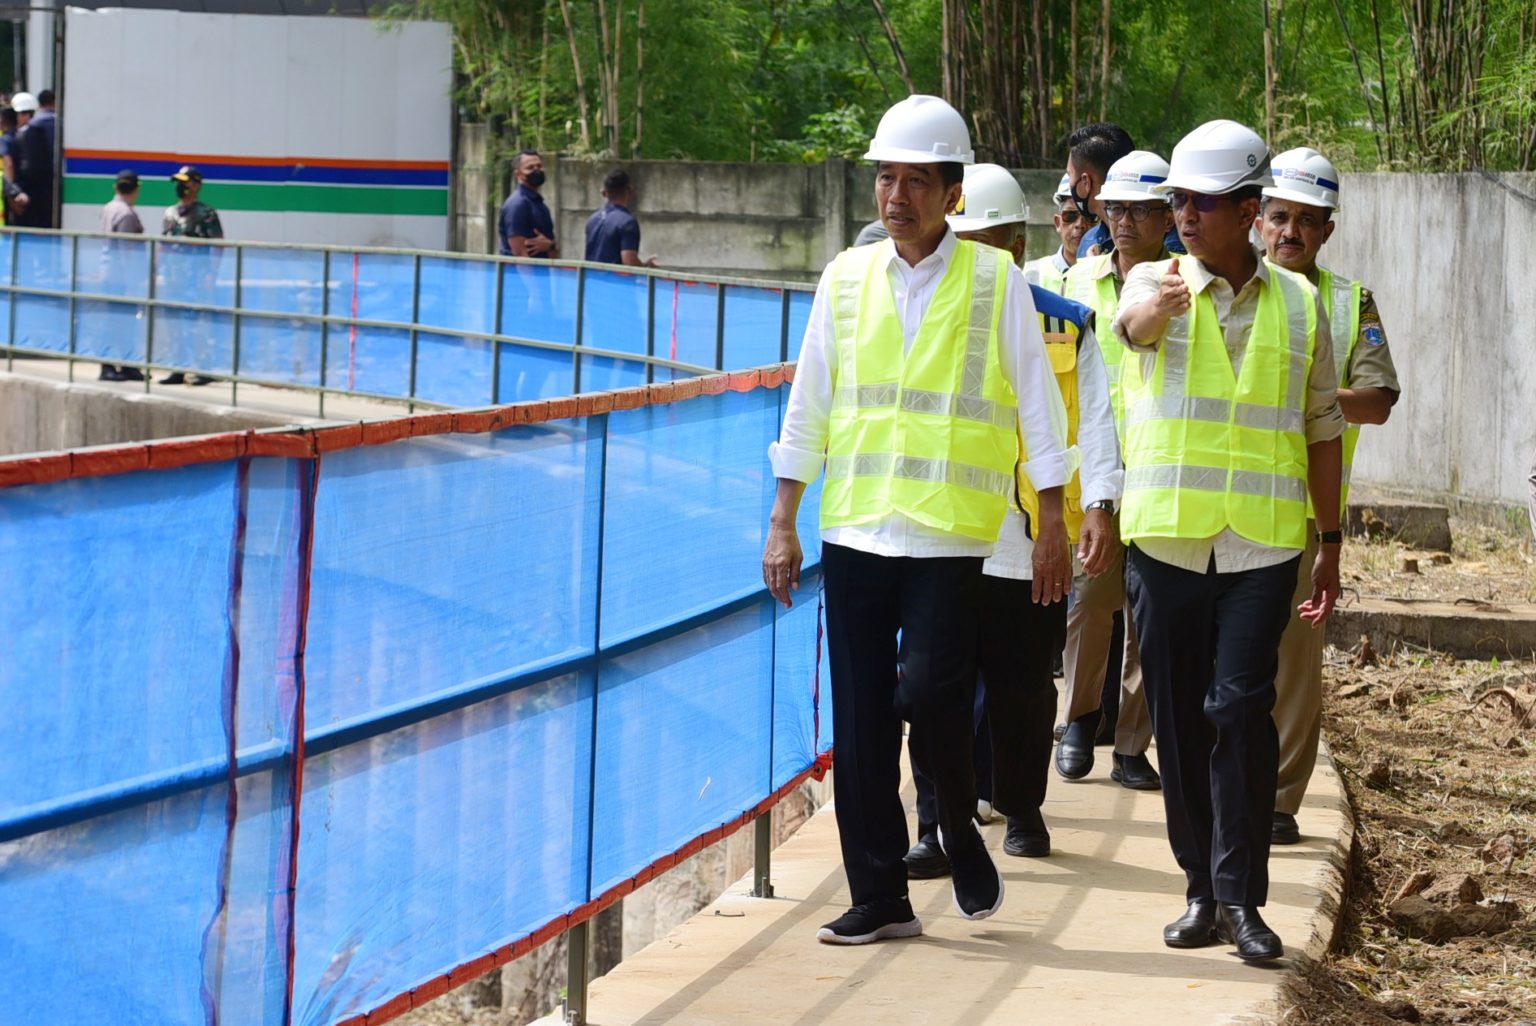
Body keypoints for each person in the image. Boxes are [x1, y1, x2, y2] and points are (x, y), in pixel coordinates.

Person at [762, 95, 1076, 945]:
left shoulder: (996, 282)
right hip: (857, 527)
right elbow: (810, 401)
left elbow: (1038, 406)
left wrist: (1051, 519)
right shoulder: (844, 277)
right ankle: (880, 895)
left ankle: (955, 821)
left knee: (931, 691)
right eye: (886, 178)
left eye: (916, 181)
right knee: (862, 719)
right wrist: (784, 516)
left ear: (953, 192)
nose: (897, 196)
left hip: (948, 533)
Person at [1114, 119, 1345, 963]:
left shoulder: (1303, 305)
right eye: (1177, 200)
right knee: (1180, 720)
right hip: (1167, 541)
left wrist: (1331, 540)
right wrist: (1153, 309)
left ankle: (1243, 898)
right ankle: (1200, 890)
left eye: (1202, 203)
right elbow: (1130, 326)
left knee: (1240, 708)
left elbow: (1323, 427)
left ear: (1249, 211)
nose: (1183, 215)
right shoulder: (1156, 278)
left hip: (1263, 546)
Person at [903, 163, 1120, 877]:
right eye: (962, 241)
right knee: (931, 689)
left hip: (1030, 544)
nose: (972, 257)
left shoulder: (1064, 324)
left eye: (988, 243)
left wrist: (1099, 506)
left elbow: (1096, 422)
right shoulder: (924, 315)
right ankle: (936, 821)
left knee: (1024, 688)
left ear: (1019, 246)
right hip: (942, 536)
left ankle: (1022, 808)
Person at [1259, 147, 1400, 846]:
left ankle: (1278, 801)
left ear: (1327, 231)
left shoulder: (1348, 303)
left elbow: (1377, 401)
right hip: (1219, 507)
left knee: (1293, 664)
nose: (1292, 231)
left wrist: (1311, 398)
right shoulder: (1214, 286)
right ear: (1257, 219)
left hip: (1308, 513)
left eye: (1307, 221)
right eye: (1280, 216)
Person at [1056, 150, 1177, 790]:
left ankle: (1132, 744)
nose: (1125, 221)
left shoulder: (1181, 283)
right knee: (1091, 598)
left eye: (1140, 210)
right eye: (1116, 209)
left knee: (1147, 615)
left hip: (1159, 469)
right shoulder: (1078, 282)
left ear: (1167, 217)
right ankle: (1079, 719)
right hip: (1097, 472)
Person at [160, 165, 224, 386]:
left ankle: (202, 368)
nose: (180, 187)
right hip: (174, 278)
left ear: (195, 185)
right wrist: (155, 270)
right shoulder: (170, 213)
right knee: (174, 323)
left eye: (184, 182)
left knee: (199, 323)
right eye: (178, 183)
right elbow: (163, 244)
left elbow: (217, 245)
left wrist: (212, 275)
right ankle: (177, 368)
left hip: (197, 276)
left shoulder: (206, 213)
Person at [97, 170, 146, 382]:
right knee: (121, 323)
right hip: (121, 276)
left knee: (114, 321)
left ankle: (125, 365)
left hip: (109, 272)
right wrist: (133, 282)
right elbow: (127, 251)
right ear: (135, 190)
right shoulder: (126, 213)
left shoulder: (109, 207)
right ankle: (112, 366)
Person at [1023, 174, 1095, 293]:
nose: (1080, 224)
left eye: (1089, 217)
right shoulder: (1030, 275)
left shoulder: (1114, 274)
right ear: (1058, 223)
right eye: (1070, 216)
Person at [584, 169, 656, 266]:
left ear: (604, 192)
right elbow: (629, 262)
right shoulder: (627, 222)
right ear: (629, 190)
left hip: (590, 275)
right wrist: (646, 268)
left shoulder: (592, 219)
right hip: (612, 276)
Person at [499, 150, 558, 259]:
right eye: (530, 168)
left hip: (542, 269)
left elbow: (551, 249)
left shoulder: (540, 205)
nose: (536, 170)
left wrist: (550, 245)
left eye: (539, 166)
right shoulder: (518, 205)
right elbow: (520, 255)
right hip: (519, 270)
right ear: (518, 174)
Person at [11, 91, 53, 229]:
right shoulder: (52, 124)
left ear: (26, 114)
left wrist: (18, 191)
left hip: (30, 194)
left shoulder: (28, 133)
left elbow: (28, 168)